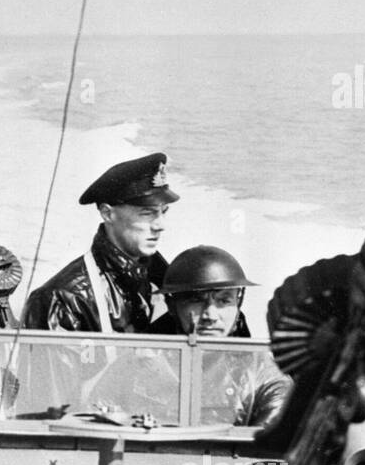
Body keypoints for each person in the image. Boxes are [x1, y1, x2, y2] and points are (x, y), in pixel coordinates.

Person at [22, 152, 180, 333]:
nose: (160, 225)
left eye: (163, 212)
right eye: (147, 213)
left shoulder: (165, 284)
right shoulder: (62, 299)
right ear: (107, 213)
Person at [152, 245, 292, 427]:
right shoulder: (138, 364)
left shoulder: (263, 377)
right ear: (172, 305)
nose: (210, 314)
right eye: (196, 300)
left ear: (238, 304)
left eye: (224, 301)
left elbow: (270, 444)